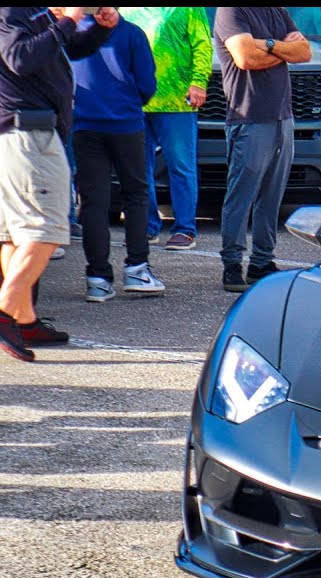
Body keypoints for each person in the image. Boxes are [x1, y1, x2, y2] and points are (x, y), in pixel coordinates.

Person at [0, 7, 115, 361]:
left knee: (13, 234)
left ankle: (24, 317)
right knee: (46, 230)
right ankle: (5, 312)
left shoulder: (32, 14)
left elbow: (64, 50)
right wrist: (68, 20)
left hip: (24, 134)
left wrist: (97, 28)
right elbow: (20, 58)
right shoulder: (11, 11)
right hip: (27, 136)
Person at [213, 7, 311, 293]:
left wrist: (266, 44)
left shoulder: (276, 11)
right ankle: (232, 264)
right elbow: (245, 58)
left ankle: (261, 263)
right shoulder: (230, 11)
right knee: (241, 195)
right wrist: (284, 49)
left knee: (272, 195)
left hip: (283, 116)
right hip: (248, 117)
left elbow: (305, 52)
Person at [72, 9, 163, 303]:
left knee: (93, 201)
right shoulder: (132, 33)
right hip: (126, 123)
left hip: (83, 124)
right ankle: (137, 268)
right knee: (135, 194)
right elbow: (148, 84)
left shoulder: (70, 32)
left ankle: (97, 278)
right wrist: (131, 102)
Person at [121, 7, 212, 253]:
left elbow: (203, 44)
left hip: (177, 100)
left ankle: (184, 229)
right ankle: (146, 227)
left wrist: (198, 82)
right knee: (139, 168)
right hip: (135, 100)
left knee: (180, 166)